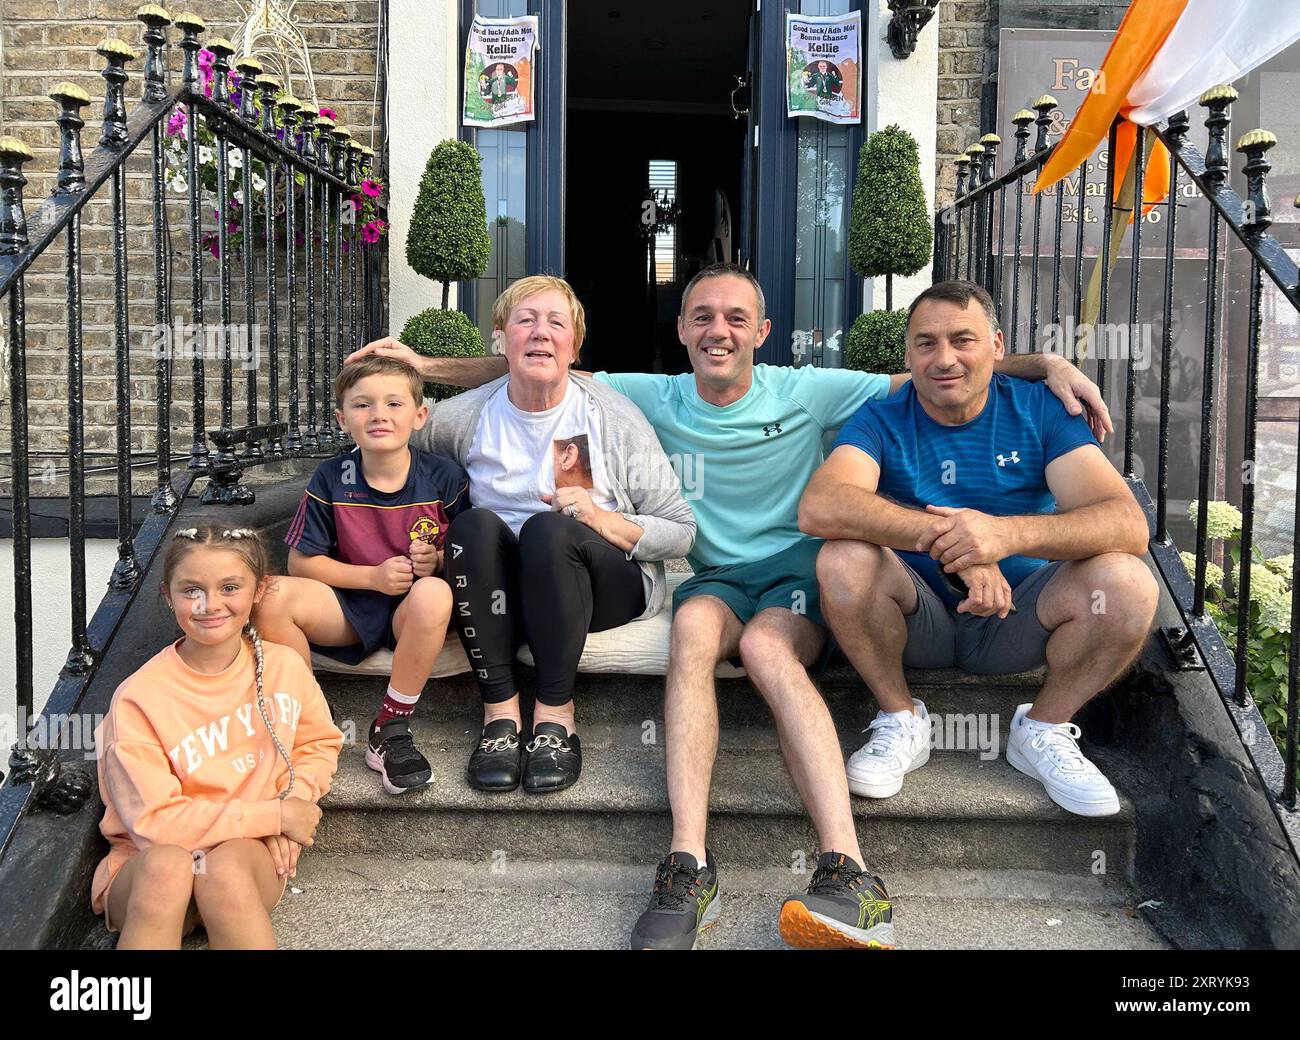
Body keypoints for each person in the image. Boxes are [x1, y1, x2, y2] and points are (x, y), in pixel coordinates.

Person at [347, 262, 1111, 949]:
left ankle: (848, 869)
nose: (719, 332)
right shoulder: (649, 393)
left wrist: (1041, 365)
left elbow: (939, 368)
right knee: (691, 634)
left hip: (795, 572)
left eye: (736, 318)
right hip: (711, 575)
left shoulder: (809, 388)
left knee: (767, 651)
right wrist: (421, 367)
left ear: (763, 331)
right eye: (703, 317)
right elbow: (536, 358)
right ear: (681, 330)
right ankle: (688, 862)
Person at [800, 280, 1157, 816]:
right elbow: (821, 507)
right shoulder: (882, 417)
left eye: (962, 340)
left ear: (996, 346)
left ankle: (1042, 729)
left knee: (1127, 582)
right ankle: (901, 718)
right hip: (918, 619)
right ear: (908, 353)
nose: (943, 358)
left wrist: (1005, 534)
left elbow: (1127, 523)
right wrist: (961, 546)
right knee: (842, 558)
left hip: (1021, 618)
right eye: (925, 343)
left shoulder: (1040, 409)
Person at [409, 275, 695, 795]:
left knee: (548, 530)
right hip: (504, 596)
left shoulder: (611, 414)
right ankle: (499, 715)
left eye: (556, 323)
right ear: (501, 340)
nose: (541, 333)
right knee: (471, 525)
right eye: (525, 320)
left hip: (601, 583)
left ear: (574, 345)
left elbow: (681, 530)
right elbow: (389, 450)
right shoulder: (464, 417)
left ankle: (555, 716)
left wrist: (602, 519)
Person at [91, 524, 342, 949]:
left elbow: (317, 744)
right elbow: (155, 825)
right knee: (169, 866)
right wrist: (275, 816)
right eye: (191, 590)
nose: (210, 605)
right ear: (168, 595)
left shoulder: (283, 667)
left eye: (230, 587)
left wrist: (294, 801)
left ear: (259, 590)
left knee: (224, 868)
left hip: (241, 860)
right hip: (147, 868)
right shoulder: (139, 698)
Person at [255, 356, 469, 795]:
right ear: (342, 419)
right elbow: (301, 563)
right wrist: (371, 578)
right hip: (349, 605)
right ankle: (307, 725)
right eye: (362, 405)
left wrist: (441, 562)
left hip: (414, 613)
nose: (379, 415)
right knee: (272, 594)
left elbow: (472, 554)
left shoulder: (445, 478)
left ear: (419, 415)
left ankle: (389, 728)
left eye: (394, 403)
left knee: (433, 593)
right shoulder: (333, 476)